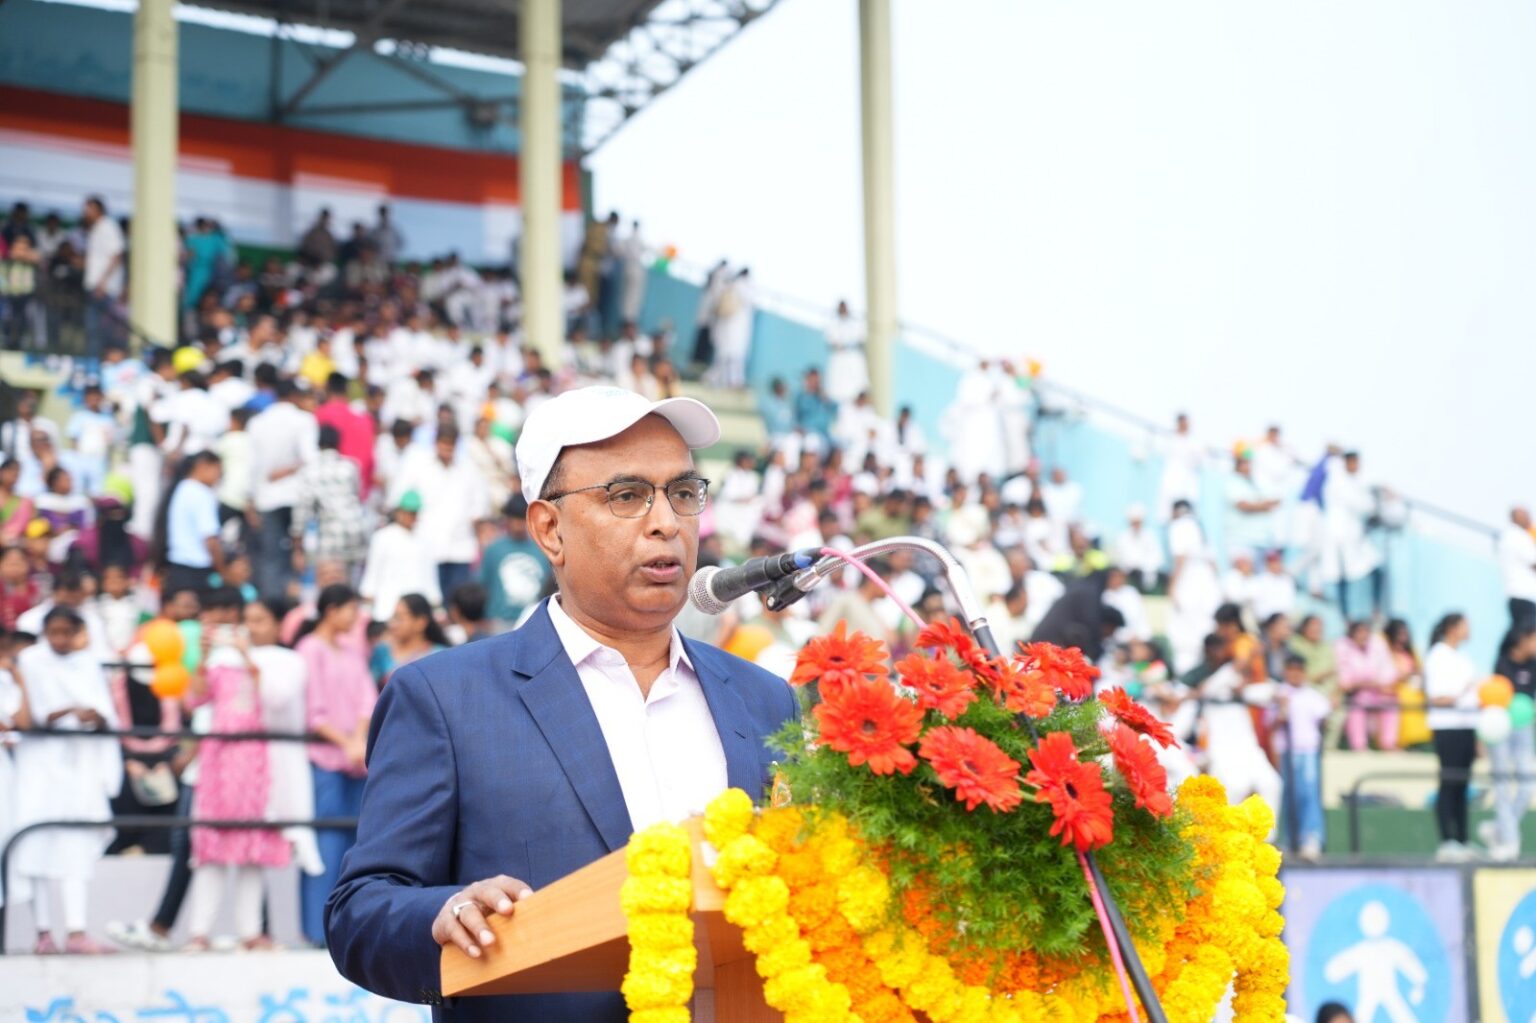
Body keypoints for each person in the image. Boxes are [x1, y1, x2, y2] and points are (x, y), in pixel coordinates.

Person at [327, 386, 797, 1019]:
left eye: (682, 493)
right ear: (549, 529)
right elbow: (360, 911)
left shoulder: (766, 701)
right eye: (628, 496)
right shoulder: (445, 698)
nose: (666, 521)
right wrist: (442, 913)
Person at [182, 587, 290, 951]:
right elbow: (195, 698)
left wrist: (248, 657)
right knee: (210, 848)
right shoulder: (218, 662)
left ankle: (250, 932)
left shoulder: (275, 661)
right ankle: (199, 932)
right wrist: (206, 656)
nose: (249, 628)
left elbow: (273, 701)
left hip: (255, 761)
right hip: (217, 760)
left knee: (251, 849)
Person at [11, 606, 122, 953]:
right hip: (38, 765)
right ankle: (43, 933)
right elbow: (29, 716)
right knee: (37, 845)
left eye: (66, 632)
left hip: (80, 765)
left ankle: (77, 931)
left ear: (76, 633)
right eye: (53, 632)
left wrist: (94, 716)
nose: (59, 639)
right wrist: (69, 711)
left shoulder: (88, 664)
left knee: (76, 846)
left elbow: (108, 715)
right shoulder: (29, 661)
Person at [296, 583, 376, 946]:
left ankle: (346, 930)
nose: (355, 617)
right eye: (350, 609)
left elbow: (366, 698)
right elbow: (313, 711)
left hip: (355, 759)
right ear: (331, 610)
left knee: (354, 845)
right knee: (325, 843)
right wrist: (347, 743)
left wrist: (358, 741)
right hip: (325, 759)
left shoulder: (351, 648)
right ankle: (316, 932)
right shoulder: (309, 649)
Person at [389, 422, 490, 599]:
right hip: (425, 544)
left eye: (450, 445)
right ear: (435, 443)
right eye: (443, 444)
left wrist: (477, 529)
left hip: (460, 547)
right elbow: (399, 499)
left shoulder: (468, 469)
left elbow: (479, 506)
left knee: (457, 601)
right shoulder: (418, 465)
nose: (446, 449)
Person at [248, 380, 319, 599]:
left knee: (272, 557)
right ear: (295, 396)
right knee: (300, 553)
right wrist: (289, 469)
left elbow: (252, 465)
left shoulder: (258, 422)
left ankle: (273, 606)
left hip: (267, 496)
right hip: (297, 496)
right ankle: (296, 604)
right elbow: (310, 459)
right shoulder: (304, 420)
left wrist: (250, 499)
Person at [1424, 612, 1479, 862]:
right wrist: (1462, 691)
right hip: (1448, 726)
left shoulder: (1462, 656)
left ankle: (1463, 839)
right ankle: (1447, 840)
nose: (1469, 629)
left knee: (1463, 784)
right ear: (1451, 628)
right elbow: (1438, 696)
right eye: (1464, 625)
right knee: (1449, 781)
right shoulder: (1438, 655)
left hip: (1467, 724)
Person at [1483, 624, 1536, 862]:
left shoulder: (1533, 665)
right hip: (1501, 729)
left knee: (1527, 783)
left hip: (1523, 728)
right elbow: (1496, 699)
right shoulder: (1502, 663)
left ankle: (1499, 828)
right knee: (1502, 784)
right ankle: (1510, 841)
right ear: (1522, 639)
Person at [291, 425, 370, 581]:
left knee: (330, 586)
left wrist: (298, 548)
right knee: (351, 585)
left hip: (330, 535)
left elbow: (301, 513)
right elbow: (357, 496)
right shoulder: (351, 466)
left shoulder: (310, 471)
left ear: (318, 444)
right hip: (356, 530)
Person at [1274, 653, 1331, 859]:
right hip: (1286, 751)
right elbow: (1273, 722)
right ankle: (1291, 839)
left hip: (1307, 751)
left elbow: (1324, 719)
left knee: (1308, 794)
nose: (1295, 673)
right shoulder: (1279, 693)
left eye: (1299, 669)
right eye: (1291, 669)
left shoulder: (1313, 696)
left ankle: (1311, 837)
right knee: (1289, 796)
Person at [478, 494, 550, 630]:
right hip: (500, 620)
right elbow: (483, 584)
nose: (518, 525)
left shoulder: (541, 547)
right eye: (514, 519)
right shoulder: (494, 549)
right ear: (507, 520)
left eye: (521, 519)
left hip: (534, 619)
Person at [159, 450, 225, 595]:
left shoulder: (181, 488)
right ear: (203, 466)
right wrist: (224, 572)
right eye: (218, 471)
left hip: (176, 568)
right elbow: (210, 540)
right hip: (197, 571)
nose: (219, 478)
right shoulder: (202, 493)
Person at [1335, 620, 1398, 751]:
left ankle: (1388, 743)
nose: (1363, 635)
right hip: (1355, 694)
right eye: (1360, 632)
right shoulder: (1342, 646)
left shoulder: (1377, 645)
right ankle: (1359, 745)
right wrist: (1361, 684)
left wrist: (1379, 684)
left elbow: (1388, 671)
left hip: (1377, 692)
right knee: (1358, 704)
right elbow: (1344, 680)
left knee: (1390, 702)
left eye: (1366, 632)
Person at [371, 593, 451, 685]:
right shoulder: (382, 650)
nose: (392, 624)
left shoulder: (438, 655)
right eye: (393, 617)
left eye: (399, 618)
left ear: (421, 622)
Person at [81, 195, 125, 360]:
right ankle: (96, 361)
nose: (85, 213)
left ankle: (102, 362)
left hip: (104, 288)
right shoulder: (97, 228)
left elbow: (116, 255)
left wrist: (102, 283)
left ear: (98, 209)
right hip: (97, 286)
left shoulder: (108, 226)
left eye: (88, 209)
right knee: (94, 329)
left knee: (103, 330)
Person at [823, 299, 867, 405]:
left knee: (857, 386)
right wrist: (840, 347)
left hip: (852, 360)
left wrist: (849, 346)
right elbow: (831, 342)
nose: (843, 310)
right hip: (839, 360)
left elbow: (860, 340)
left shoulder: (856, 323)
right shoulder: (833, 323)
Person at [1500, 506, 1536, 632]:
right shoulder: (1519, 536)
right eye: (1525, 514)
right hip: (1523, 595)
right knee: (1525, 632)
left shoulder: (1509, 536)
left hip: (1516, 595)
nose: (1529, 518)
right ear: (1516, 518)